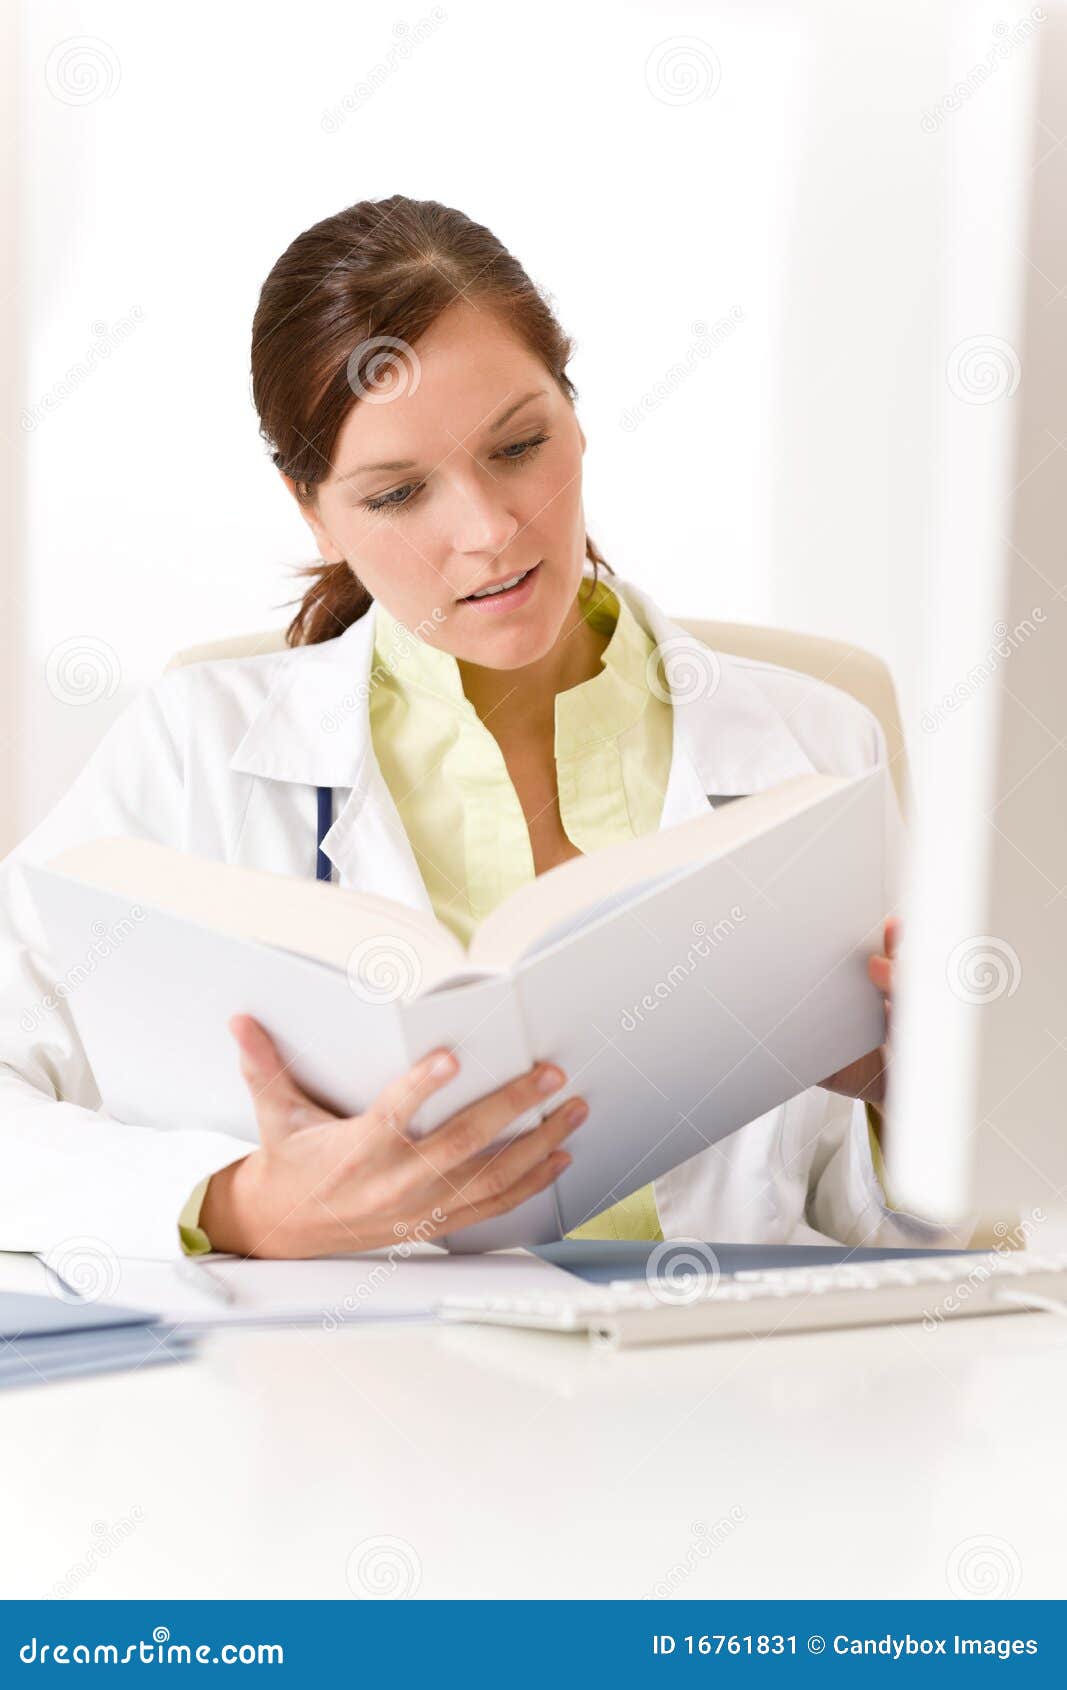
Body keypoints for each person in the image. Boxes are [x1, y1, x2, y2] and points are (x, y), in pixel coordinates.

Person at [0, 196, 961, 1262]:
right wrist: (235, 1205)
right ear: (311, 509)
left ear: (575, 414)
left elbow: (927, 1222)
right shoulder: (193, 751)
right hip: (356, 1407)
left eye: (518, 444)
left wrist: (913, 1096)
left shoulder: (812, 741)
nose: (489, 530)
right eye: (399, 492)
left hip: (727, 1390)